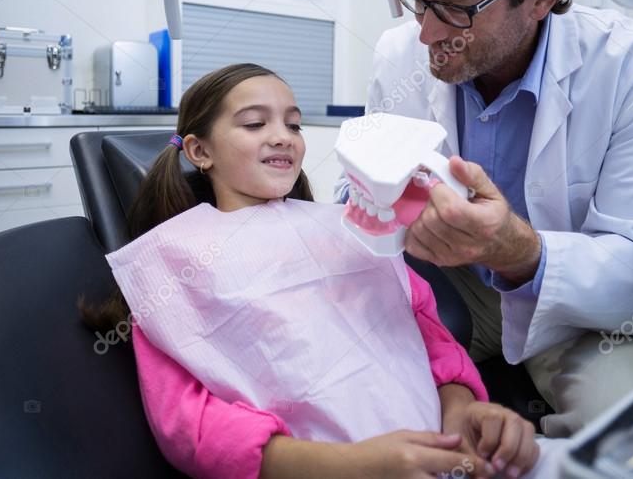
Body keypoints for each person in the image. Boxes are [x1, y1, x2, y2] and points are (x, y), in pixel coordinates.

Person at [337, 0, 633, 437]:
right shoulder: (401, 54)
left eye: (453, 10)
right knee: (347, 393)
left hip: (588, 319)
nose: (425, 32)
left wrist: (519, 250)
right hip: (448, 288)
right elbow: (367, 187)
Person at [81, 63, 556, 479]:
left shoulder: (351, 229)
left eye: (294, 123)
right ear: (199, 151)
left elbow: (432, 342)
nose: (283, 135)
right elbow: (191, 427)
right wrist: (356, 468)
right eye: (253, 123)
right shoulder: (173, 262)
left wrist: (466, 412)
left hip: (444, 455)